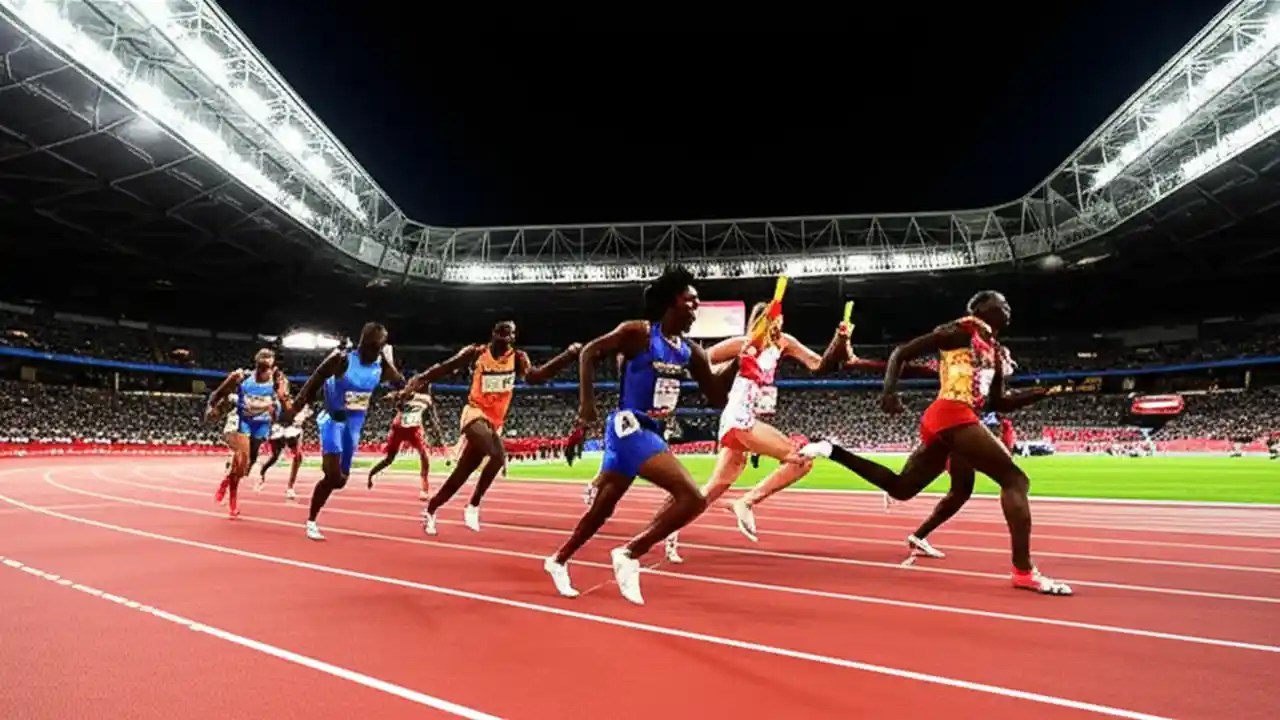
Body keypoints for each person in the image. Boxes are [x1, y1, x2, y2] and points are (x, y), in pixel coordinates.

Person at [799, 291, 1071, 595]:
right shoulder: (959, 332)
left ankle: (831, 450)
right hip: (951, 413)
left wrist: (1040, 394)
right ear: (980, 307)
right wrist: (889, 392)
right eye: (1001, 302)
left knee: (902, 488)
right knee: (1015, 480)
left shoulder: (993, 352)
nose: (1007, 307)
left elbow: (998, 403)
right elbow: (901, 352)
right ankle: (1024, 571)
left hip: (954, 419)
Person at [544, 265, 738, 605]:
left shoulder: (690, 351)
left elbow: (717, 397)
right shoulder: (639, 333)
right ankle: (630, 553)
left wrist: (740, 363)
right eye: (691, 300)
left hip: (653, 431)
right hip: (628, 427)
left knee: (603, 509)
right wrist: (587, 407)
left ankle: (558, 560)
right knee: (692, 498)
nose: (697, 307)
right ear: (672, 301)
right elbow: (589, 352)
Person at [665, 300, 849, 560]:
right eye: (773, 319)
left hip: (745, 418)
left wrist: (839, 341)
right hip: (738, 417)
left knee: (716, 486)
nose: (779, 323)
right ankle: (746, 502)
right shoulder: (743, 343)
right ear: (762, 321)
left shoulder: (784, 342)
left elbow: (819, 364)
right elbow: (701, 362)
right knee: (801, 460)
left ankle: (670, 527)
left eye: (780, 319)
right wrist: (731, 368)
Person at [398, 322, 580, 534]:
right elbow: (445, 367)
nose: (506, 339)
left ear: (514, 338)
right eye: (502, 334)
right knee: (498, 456)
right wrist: (419, 380)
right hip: (475, 413)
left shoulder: (518, 358)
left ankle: (431, 509)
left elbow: (536, 377)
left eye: (510, 335)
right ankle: (473, 505)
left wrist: (567, 355)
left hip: (495, 422)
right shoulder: (476, 353)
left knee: (461, 474)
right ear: (493, 334)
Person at [285, 323, 404, 541]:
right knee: (332, 475)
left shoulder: (381, 365)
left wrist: (390, 363)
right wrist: (295, 408)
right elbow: (314, 381)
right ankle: (311, 521)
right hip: (333, 421)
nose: (374, 351)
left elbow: (401, 385)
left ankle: (326, 483)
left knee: (340, 481)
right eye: (372, 346)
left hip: (354, 427)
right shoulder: (342, 360)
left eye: (379, 347)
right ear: (363, 344)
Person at [204, 349, 289, 518]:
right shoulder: (242, 377)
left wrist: (278, 407)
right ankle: (232, 502)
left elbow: (283, 404)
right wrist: (211, 407)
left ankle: (226, 481)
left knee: (245, 469)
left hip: (261, 425)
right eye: (263, 359)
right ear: (256, 362)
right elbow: (219, 393)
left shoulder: (278, 381)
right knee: (241, 461)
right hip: (242, 422)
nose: (266, 365)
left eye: (269, 360)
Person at [367, 385, 442, 500]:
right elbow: (394, 396)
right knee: (389, 459)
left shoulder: (427, 399)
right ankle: (371, 474)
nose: (428, 388)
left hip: (414, 430)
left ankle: (424, 489)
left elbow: (431, 416)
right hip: (399, 429)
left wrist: (436, 428)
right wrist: (392, 398)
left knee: (424, 457)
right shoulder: (410, 394)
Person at [254, 403, 312, 501]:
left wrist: (301, 416)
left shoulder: (297, 400)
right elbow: (271, 410)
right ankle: (262, 472)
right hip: (278, 427)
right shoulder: (275, 401)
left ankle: (290, 487)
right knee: (275, 456)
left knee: (298, 456)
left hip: (291, 428)